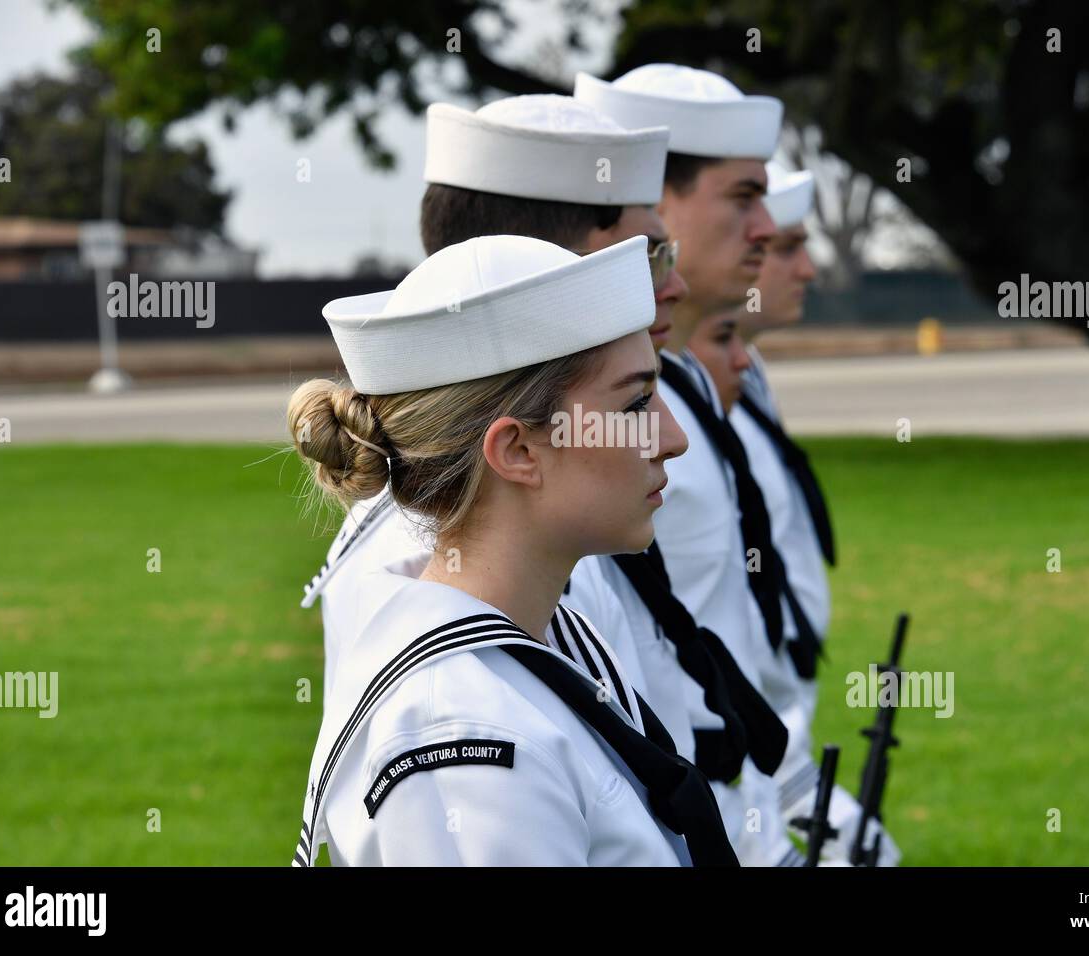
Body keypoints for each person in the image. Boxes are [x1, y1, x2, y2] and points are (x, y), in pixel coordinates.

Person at [302, 91, 792, 862]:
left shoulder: (546, 627)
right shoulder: (464, 738)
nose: (671, 440)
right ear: (518, 451)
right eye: (634, 403)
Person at [577, 63, 813, 864]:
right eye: (744, 199)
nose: (766, 231)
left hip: (743, 801)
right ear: (659, 205)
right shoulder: (597, 417)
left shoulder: (687, 390)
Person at [687, 162, 901, 865]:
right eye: (786, 247)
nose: (805, 269)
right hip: (736, 777)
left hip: (774, 757)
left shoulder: (745, 379)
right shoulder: (678, 425)